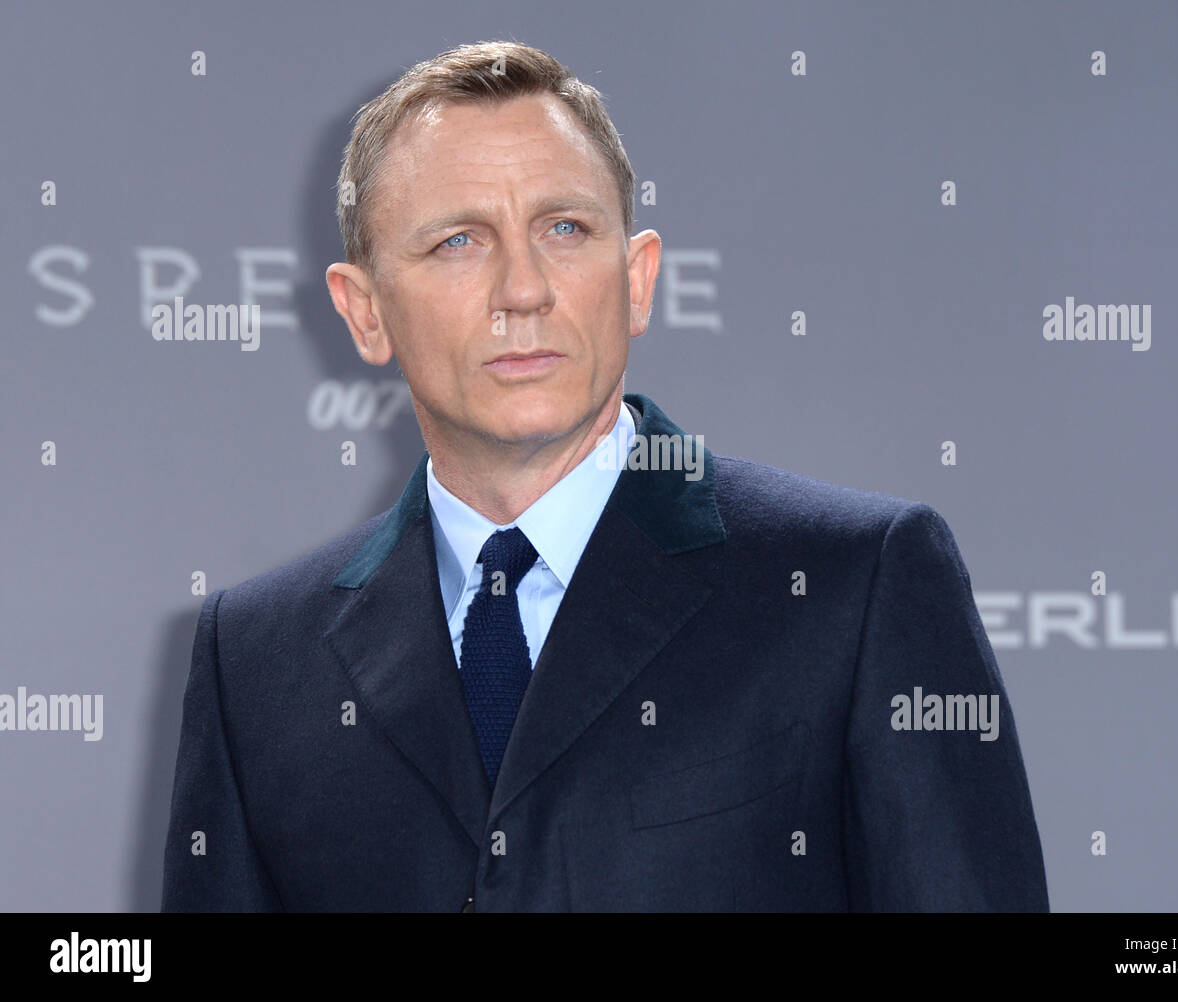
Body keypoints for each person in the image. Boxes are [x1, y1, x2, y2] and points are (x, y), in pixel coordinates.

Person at [161, 40, 1049, 912]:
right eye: (459, 241)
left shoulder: (855, 586)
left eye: (564, 228)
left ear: (636, 280)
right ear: (364, 312)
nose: (524, 289)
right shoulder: (256, 661)